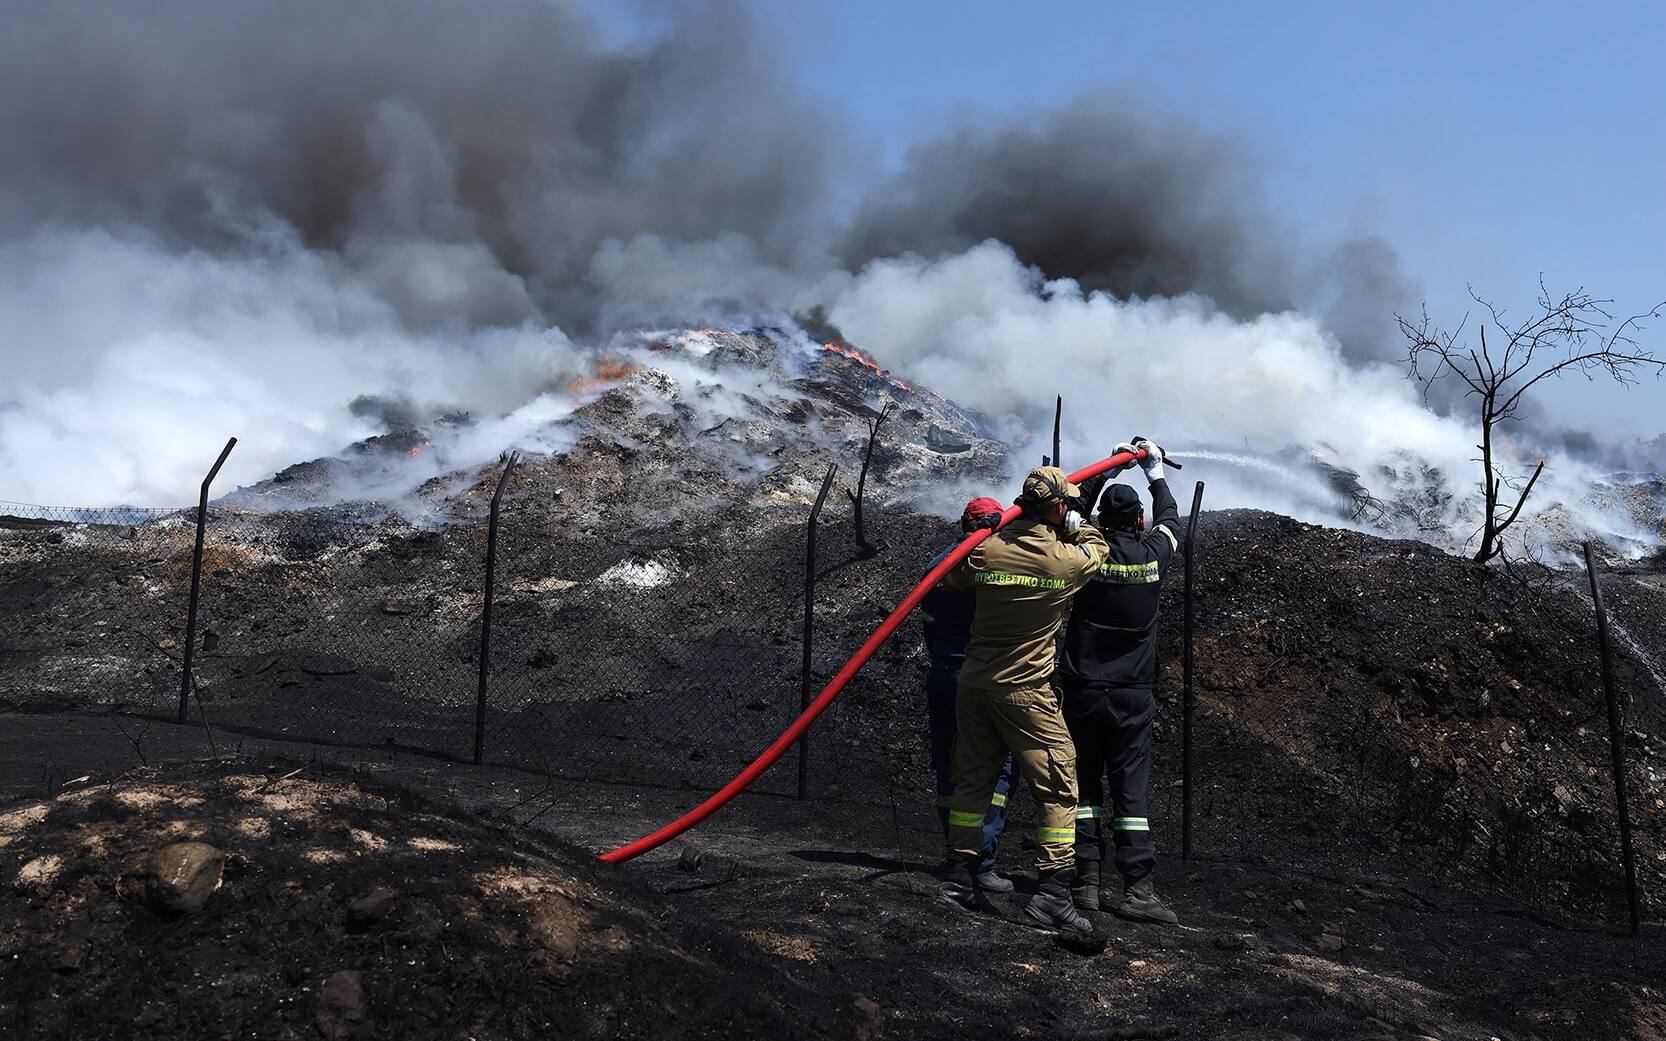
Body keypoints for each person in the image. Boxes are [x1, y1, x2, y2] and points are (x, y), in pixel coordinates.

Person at [937, 466, 1109, 934]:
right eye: (1066, 503)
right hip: (1026, 692)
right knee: (1058, 785)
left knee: (972, 782)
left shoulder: (987, 552)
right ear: (1057, 509)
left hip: (974, 686)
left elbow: (950, 578)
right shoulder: (1064, 561)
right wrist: (1080, 524)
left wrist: (988, 532)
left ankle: (956, 878)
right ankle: (1053, 893)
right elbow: (1099, 550)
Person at [1058, 437, 1183, 925]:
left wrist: (1107, 471)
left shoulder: (1086, 555)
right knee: (1130, 793)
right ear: (1138, 522)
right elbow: (1172, 522)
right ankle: (1137, 890)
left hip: (1083, 690)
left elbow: (1074, 514)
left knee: (1083, 786)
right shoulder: (1154, 555)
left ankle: (1084, 882)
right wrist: (1153, 471)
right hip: (1132, 693)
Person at [920, 497, 1020, 893]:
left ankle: (955, 854)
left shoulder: (937, 565)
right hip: (985, 679)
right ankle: (982, 861)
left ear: (963, 522)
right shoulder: (998, 564)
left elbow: (929, 623)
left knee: (949, 765)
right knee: (996, 767)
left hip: (943, 674)